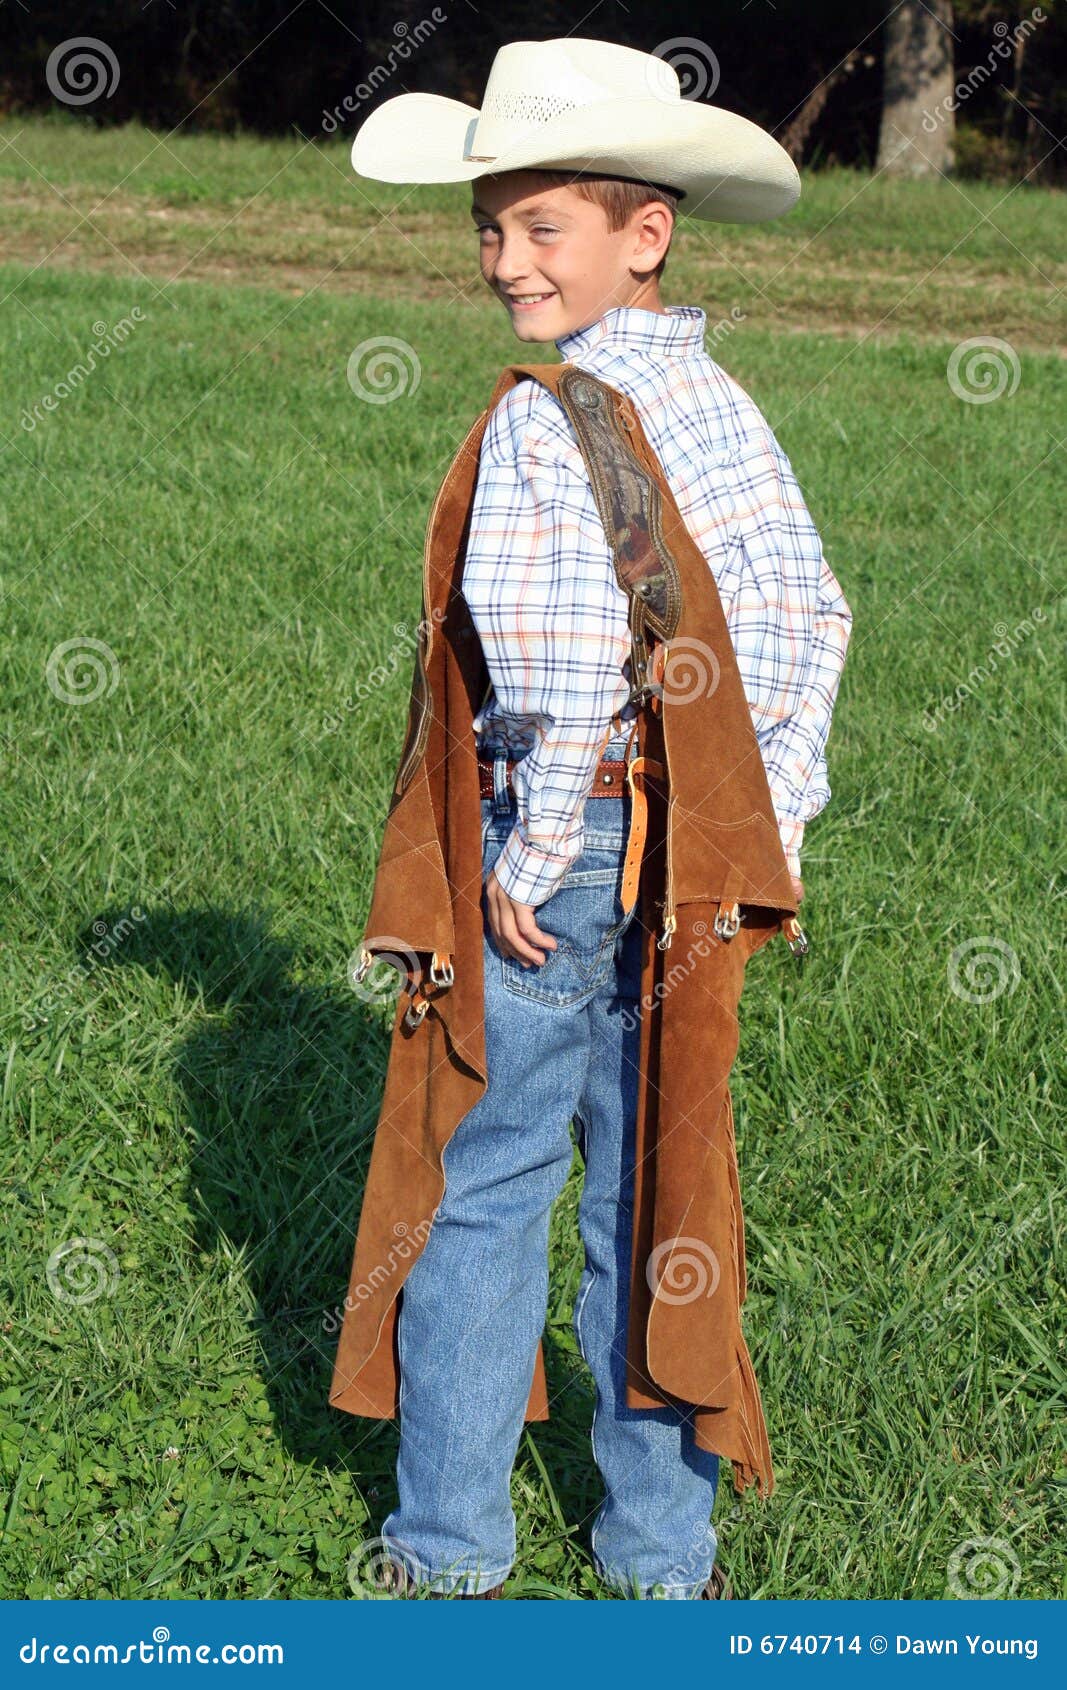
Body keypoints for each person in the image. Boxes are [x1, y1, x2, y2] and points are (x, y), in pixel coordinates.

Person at [340, 35, 852, 1600]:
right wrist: (770, 831)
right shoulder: (720, 403)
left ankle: (445, 1549)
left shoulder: (534, 422)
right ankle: (658, 1559)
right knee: (661, 1195)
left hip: (554, 868)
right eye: (490, 226)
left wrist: (531, 843)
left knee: (483, 1180)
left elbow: (558, 659)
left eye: (540, 227)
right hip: (694, 864)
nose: (503, 261)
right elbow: (813, 619)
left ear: (648, 233)